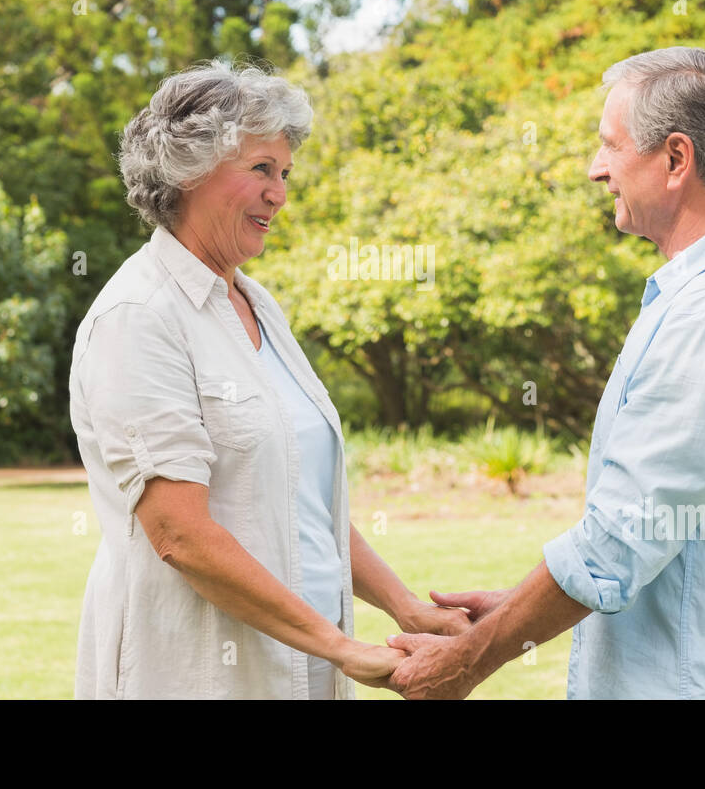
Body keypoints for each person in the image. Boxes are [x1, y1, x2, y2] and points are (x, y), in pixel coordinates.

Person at [388, 47, 705, 699]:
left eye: (610, 147)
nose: (597, 171)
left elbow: (623, 537)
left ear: (677, 160)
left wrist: (469, 660)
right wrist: (514, 608)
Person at [70, 59, 466, 699]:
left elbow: (300, 498)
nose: (280, 193)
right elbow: (179, 534)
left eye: (284, 174)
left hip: (303, 668)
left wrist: (404, 606)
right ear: (189, 170)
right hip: (198, 676)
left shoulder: (256, 304)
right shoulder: (139, 316)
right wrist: (341, 647)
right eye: (261, 169)